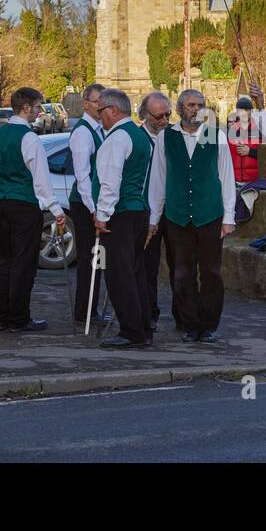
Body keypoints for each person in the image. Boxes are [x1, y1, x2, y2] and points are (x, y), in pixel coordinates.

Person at [148, 90, 238, 343]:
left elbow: (226, 177)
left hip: (209, 213)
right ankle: (189, 324)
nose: (195, 109)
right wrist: (154, 218)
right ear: (180, 108)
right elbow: (158, 179)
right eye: (190, 105)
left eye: (200, 105)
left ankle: (208, 324)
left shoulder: (215, 135)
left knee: (211, 271)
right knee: (181, 273)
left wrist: (229, 216)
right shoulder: (165, 138)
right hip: (177, 215)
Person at [0, 87, 67, 334]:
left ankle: (0, 317)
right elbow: (41, 180)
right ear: (26, 108)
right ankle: (19, 318)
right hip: (24, 205)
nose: (40, 112)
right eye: (38, 107)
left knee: (5, 262)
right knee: (23, 263)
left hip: (2, 203)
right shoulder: (29, 138)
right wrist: (56, 209)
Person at [92, 89, 155, 349]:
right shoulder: (141, 137)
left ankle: (131, 332)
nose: (99, 117)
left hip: (120, 212)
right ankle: (143, 327)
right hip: (138, 209)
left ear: (113, 110)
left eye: (101, 111)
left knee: (119, 275)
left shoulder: (117, 139)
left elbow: (110, 181)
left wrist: (102, 215)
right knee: (136, 272)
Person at [68, 83, 107, 325]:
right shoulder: (83, 132)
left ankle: (91, 310)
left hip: (96, 203)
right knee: (90, 258)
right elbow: (82, 174)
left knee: (98, 258)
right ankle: (85, 312)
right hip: (85, 204)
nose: (101, 106)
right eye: (96, 102)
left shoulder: (101, 129)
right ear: (86, 104)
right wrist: (93, 209)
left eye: (104, 102)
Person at [138, 91, 177, 331]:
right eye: (159, 116)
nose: (164, 120)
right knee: (147, 266)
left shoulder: (174, 136)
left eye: (168, 115)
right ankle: (149, 313)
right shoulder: (135, 137)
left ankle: (182, 314)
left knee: (179, 264)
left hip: (172, 209)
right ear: (144, 115)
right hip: (146, 210)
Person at [227, 98, 261, 184]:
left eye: (246, 109)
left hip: (254, 181)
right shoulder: (231, 132)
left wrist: (250, 151)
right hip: (233, 181)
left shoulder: (259, 131)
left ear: (251, 111)